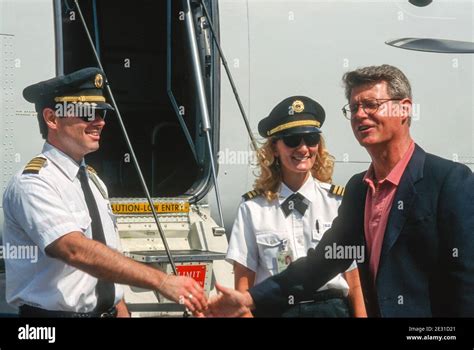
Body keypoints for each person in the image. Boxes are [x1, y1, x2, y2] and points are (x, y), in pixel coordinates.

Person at [207, 64, 474, 317]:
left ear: (404, 110)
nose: (360, 114)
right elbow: (321, 264)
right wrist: (250, 299)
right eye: (354, 107)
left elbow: (467, 279)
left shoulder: (449, 181)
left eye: (371, 105)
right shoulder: (359, 190)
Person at [2, 67, 207, 317]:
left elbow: (102, 251)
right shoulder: (34, 183)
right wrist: (160, 281)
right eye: (88, 113)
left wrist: (117, 303)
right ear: (52, 119)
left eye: (101, 113)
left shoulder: (92, 181)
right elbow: (74, 249)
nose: (99, 121)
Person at [226, 96, 366, 317]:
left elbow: (354, 282)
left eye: (311, 139)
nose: (303, 148)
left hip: (331, 309)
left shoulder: (337, 202)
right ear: (274, 149)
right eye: (292, 140)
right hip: (277, 310)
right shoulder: (253, 209)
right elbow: (243, 287)